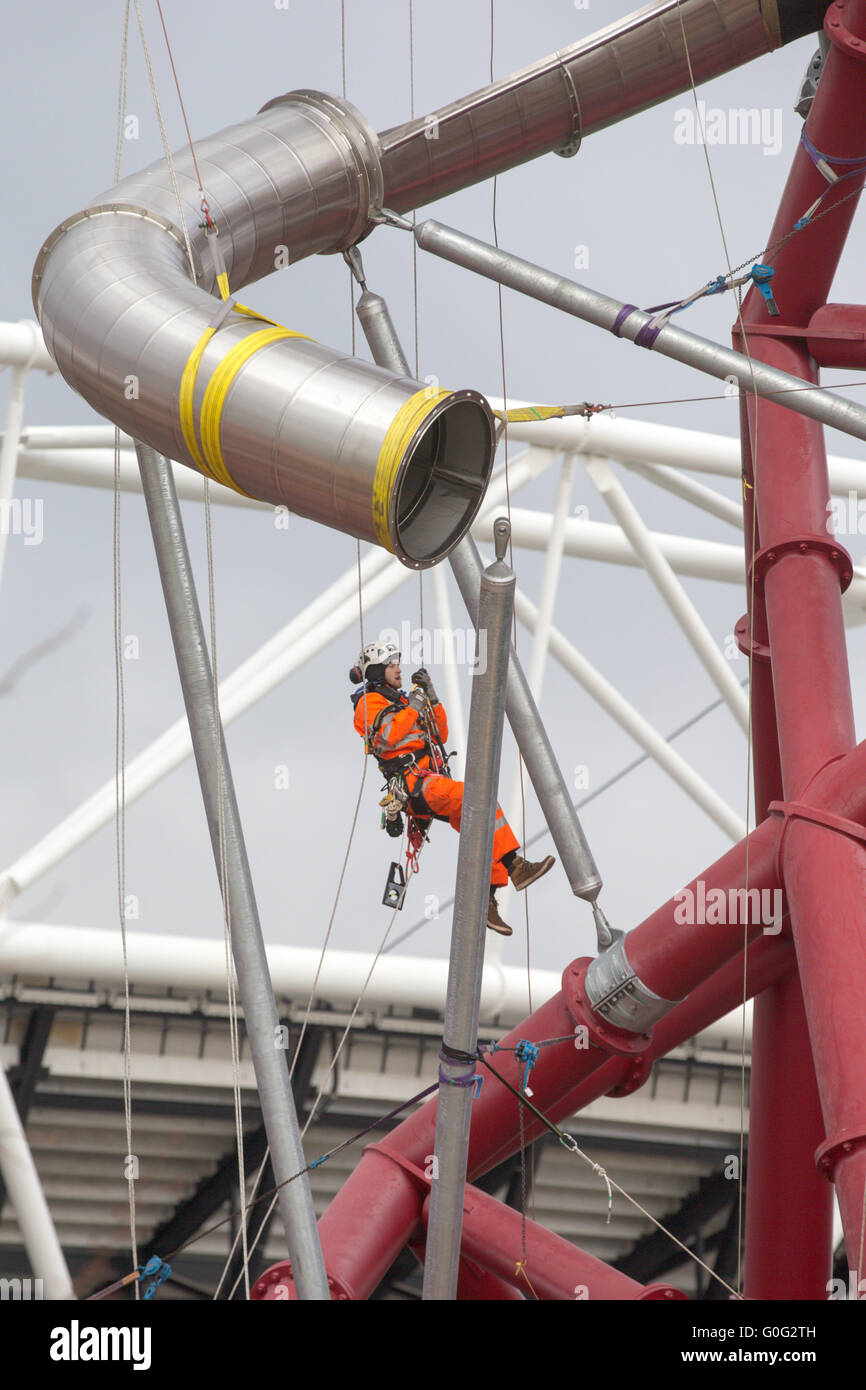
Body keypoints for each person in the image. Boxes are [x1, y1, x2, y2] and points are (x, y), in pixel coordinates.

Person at [350, 639, 554, 935]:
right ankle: (516, 867)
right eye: (392, 664)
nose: (398, 668)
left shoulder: (405, 700)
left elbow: (441, 733)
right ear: (377, 670)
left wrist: (431, 699)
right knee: (475, 799)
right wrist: (415, 707)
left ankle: (489, 897)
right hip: (412, 784)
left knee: (481, 819)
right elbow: (389, 736)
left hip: (430, 781)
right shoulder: (368, 705)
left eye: (397, 662)